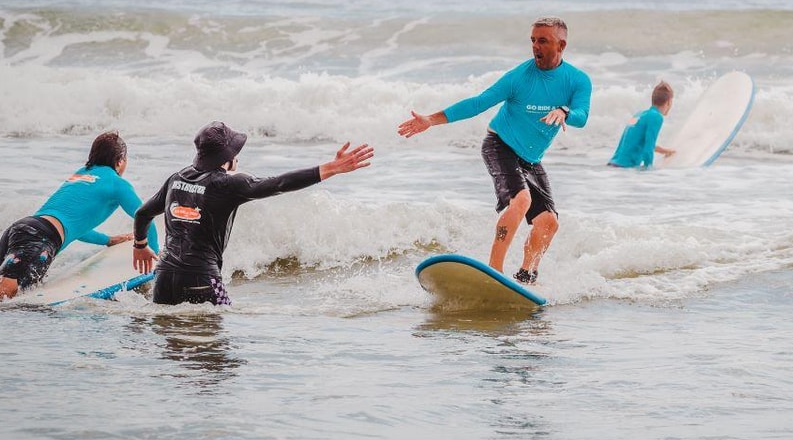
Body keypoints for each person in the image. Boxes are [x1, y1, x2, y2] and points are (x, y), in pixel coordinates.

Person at [397, 16, 592, 285]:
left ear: (561, 45)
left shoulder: (577, 80)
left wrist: (564, 111)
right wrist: (431, 119)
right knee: (521, 201)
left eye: (543, 41)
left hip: (531, 159)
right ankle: (494, 270)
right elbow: (478, 103)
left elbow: (582, 116)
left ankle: (526, 276)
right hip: (500, 145)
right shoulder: (519, 77)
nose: (535, 46)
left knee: (548, 223)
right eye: (533, 40)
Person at [131, 121, 373, 306]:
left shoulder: (176, 179)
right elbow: (279, 184)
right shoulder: (227, 185)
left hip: (163, 279)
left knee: (172, 352)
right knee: (214, 358)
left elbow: (142, 213)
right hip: (202, 279)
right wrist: (330, 168)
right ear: (227, 156)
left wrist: (140, 244)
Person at [0, 132, 159, 301]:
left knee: (4, 299)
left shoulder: (81, 174)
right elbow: (145, 217)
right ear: (120, 161)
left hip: (21, 230)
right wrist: (155, 254)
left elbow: (73, 227)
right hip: (40, 238)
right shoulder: (117, 183)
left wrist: (108, 240)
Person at [608, 81, 676, 168]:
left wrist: (665, 151)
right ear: (669, 102)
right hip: (625, 168)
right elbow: (648, 148)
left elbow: (637, 141)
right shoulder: (657, 117)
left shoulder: (638, 115)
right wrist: (649, 172)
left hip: (613, 165)